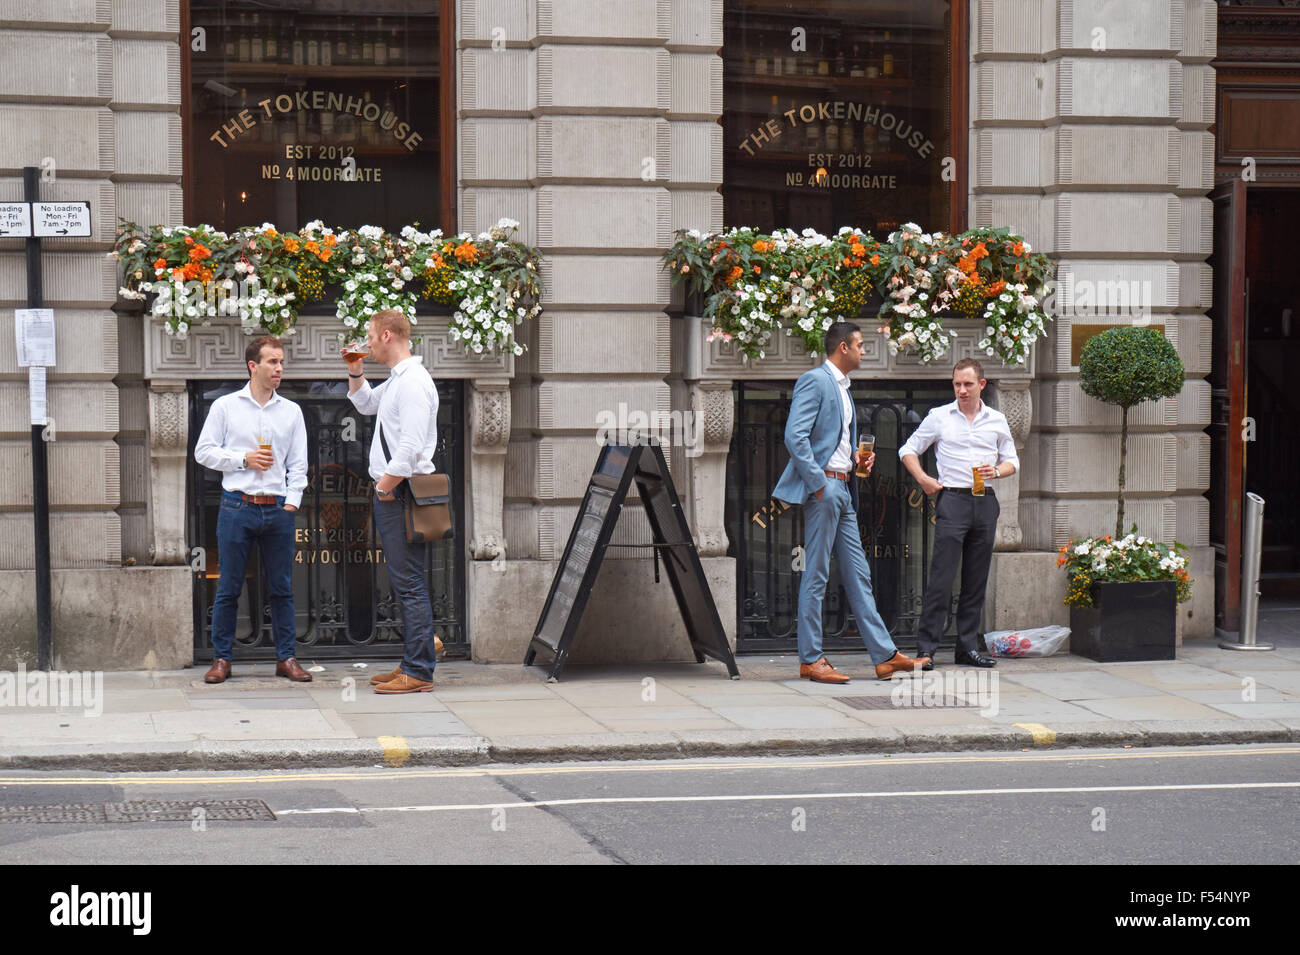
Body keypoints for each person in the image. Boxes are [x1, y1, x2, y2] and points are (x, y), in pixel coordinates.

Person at [772, 322, 930, 683]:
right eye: (860, 345)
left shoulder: (843, 388)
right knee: (816, 574)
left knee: (859, 575)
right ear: (843, 347)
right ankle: (811, 659)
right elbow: (794, 437)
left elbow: (831, 440)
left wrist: (857, 461)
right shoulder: (815, 380)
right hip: (825, 489)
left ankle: (885, 656)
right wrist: (818, 485)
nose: (864, 351)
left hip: (842, 487)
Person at [195, 335, 310, 684]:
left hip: (277, 508)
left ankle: (286, 657)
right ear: (253, 366)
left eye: (281, 362)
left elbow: (299, 464)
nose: (279, 368)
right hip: (237, 505)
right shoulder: (225, 407)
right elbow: (204, 452)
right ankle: (221, 659)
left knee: (282, 587)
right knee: (229, 586)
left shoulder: (291, 411)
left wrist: (292, 502)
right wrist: (242, 458)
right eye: (272, 362)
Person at [899, 357, 1019, 669]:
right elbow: (908, 450)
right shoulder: (940, 416)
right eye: (957, 384)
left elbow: (1013, 461)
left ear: (981, 385)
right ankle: (926, 650)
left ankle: (967, 647)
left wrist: (997, 470)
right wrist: (924, 479)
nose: (961, 390)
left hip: (985, 500)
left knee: (976, 580)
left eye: (967, 384)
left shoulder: (996, 419)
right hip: (952, 500)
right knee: (941, 578)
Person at [344, 309, 441, 693]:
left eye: (369, 335)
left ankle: (418, 671)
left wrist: (384, 486)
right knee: (406, 581)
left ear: (386, 335)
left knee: (410, 583)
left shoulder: (413, 382)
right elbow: (366, 404)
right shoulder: (399, 379)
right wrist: (354, 369)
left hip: (400, 492)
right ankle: (414, 660)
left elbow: (411, 446)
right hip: (395, 491)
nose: (366, 343)